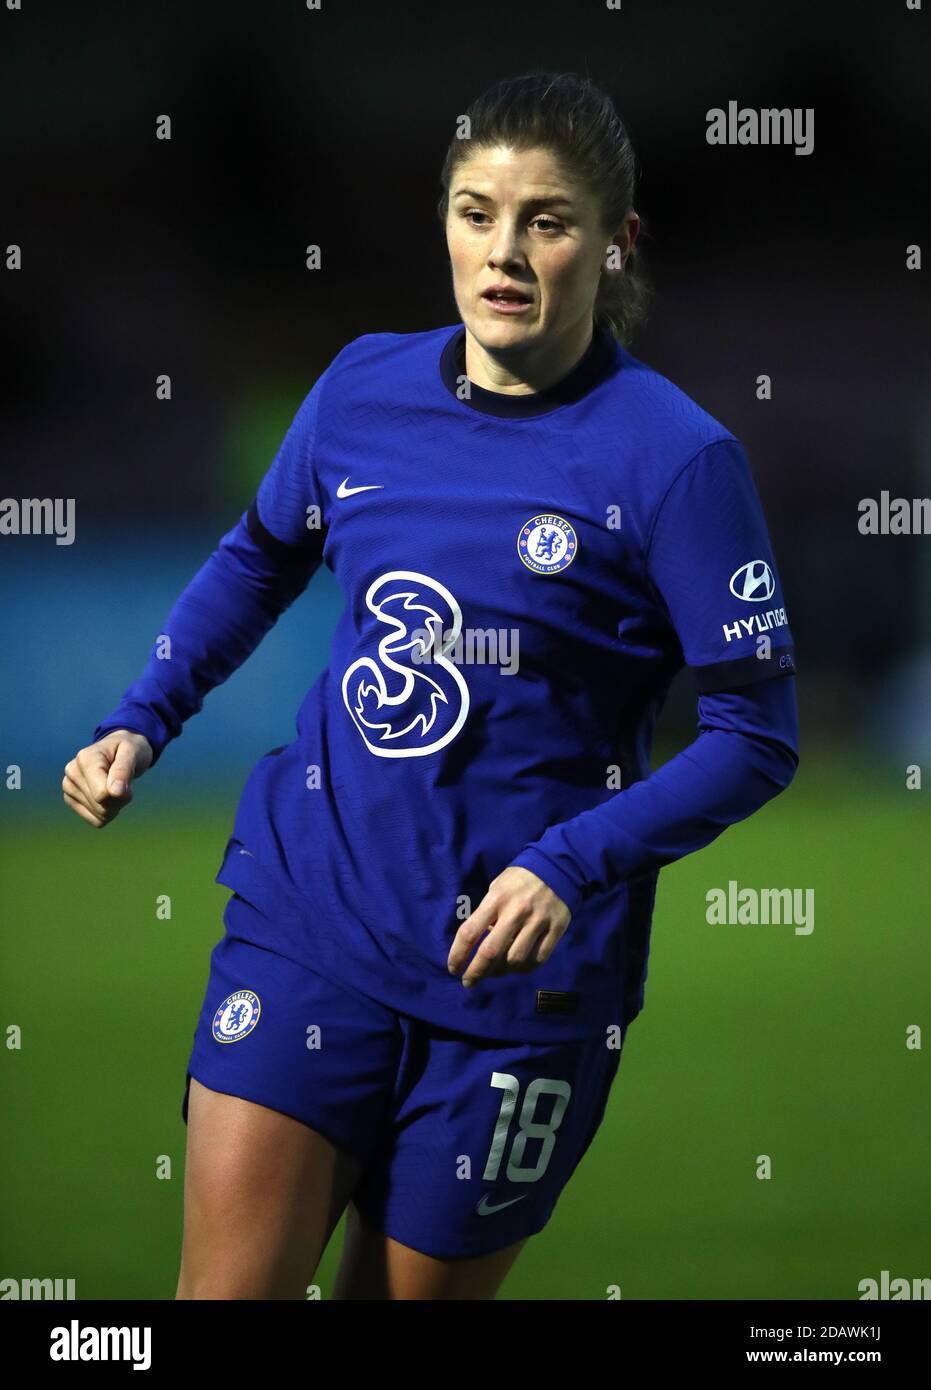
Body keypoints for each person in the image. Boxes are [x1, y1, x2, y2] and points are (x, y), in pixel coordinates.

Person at [63, 71, 799, 1300]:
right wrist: (144, 716)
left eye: (545, 220)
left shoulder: (677, 462)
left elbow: (753, 733)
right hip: (313, 923)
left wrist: (571, 861)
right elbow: (259, 556)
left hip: (520, 992)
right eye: (474, 211)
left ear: (616, 244)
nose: (501, 252)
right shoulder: (359, 390)